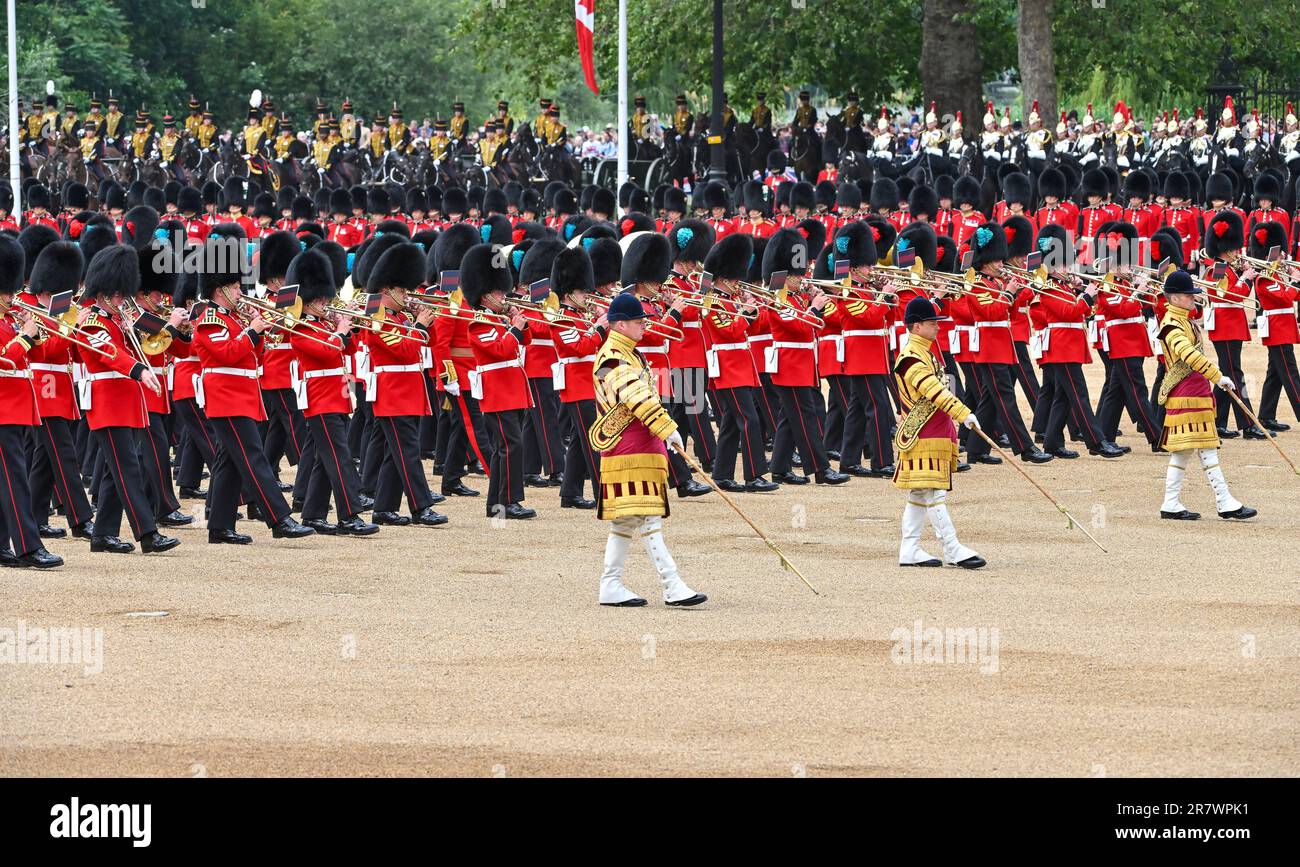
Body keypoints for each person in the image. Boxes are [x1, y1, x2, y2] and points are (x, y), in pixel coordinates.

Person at [191, 226, 315, 544]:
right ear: (220, 289)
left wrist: (257, 329)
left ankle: (220, 527)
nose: (239, 290)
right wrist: (253, 331)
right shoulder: (210, 319)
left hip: (242, 395)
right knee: (253, 457)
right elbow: (227, 354)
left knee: (229, 463)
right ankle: (280, 519)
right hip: (226, 397)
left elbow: (253, 356)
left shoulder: (233, 318)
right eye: (234, 285)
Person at [590, 292, 706, 607]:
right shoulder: (614, 356)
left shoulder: (629, 353)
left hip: (638, 446)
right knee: (649, 519)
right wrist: (668, 428)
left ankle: (610, 585)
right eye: (639, 321)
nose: (644, 326)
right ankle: (672, 584)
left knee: (625, 522)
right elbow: (636, 397)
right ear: (621, 324)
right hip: (631, 449)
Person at [75, 245, 182, 555]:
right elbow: (110, 355)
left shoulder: (118, 320)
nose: (125, 299)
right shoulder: (93, 323)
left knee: (113, 471)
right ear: (105, 292)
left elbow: (145, 346)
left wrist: (160, 330)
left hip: (126, 404)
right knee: (128, 468)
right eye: (120, 293)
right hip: (109, 404)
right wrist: (139, 371)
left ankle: (104, 535)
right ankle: (147, 532)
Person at [286, 249, 378, 537]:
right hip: (319, 398)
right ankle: (349, 515)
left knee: (323, 459)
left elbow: (347, 349)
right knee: (339, 456)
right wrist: (338, 331)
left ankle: (313, 514)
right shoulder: (299, 328)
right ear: (306, 301)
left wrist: (348, 328)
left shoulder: (323, 324)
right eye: (319, 300)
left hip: (336, 396)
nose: (325, 303)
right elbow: (325, 352)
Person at [1155, 270, 1256, 521]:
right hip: (1187, 393)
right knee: (1205, 447)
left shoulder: (1183, 319)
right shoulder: (1171, 324)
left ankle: (1172, 502)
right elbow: (1187, 355)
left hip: (1194, 391)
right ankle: (1224, 501)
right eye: (1189, 296)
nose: (1193, 299)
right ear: (1175, 298)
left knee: (1186, 450)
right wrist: (1217, 375)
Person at [892, 296, 984, 569]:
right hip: (924, 433)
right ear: (917, 327)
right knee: (934, 493)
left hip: (931, 430)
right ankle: (952, 548)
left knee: (920, 494)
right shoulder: (911, 357)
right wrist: (963, 413)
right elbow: (935, 393)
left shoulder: (925, 352)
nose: (938, 328)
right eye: (933, 324)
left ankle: (909, 549)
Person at [0, 235, 63, 568]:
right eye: (6, 292)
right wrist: (25, 335)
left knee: (7, 480)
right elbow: (5, 360)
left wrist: (38, 329)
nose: (12, 297)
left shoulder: (11, 320)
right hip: (3, 410)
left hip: (18, 408)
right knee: (15, 481)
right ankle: (28, 547)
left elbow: (34, 354)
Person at [460, 243, 536, 520]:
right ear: (484, 295)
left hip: (512, 389)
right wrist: (513, 328)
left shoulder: (497, 319)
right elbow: (501, 350)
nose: (503, 296)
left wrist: (518, 323)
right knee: (510, 446)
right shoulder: (479, 323)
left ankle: (497, 504)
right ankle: (509, 501)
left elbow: (522, 343)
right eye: (498, 292)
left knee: (504, 448)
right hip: (498, 391)